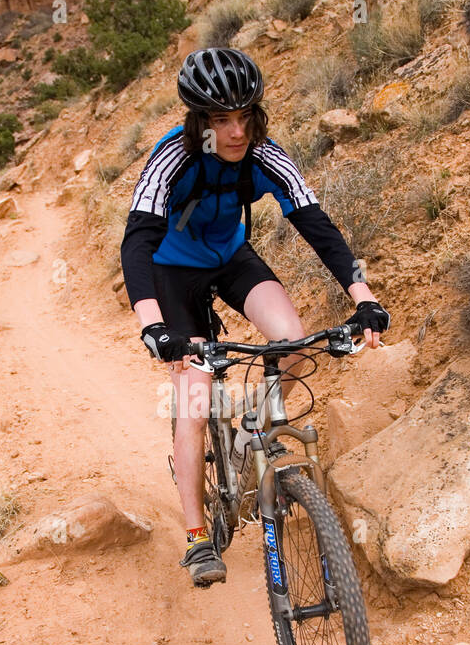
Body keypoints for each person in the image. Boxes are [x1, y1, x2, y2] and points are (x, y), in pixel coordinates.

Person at [120, 47, 389, 588]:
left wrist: (363, 299)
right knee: (195, 393)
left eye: (244, 116)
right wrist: (154, 327)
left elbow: (320, 229)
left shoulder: (266, 155)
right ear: (200, 122)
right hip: (172, 273)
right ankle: (197, 537)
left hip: (232, 261)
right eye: (221, 120)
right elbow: (137, 242)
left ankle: (252, 430)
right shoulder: (171, 159)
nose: (236, 131)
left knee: (291, 340)